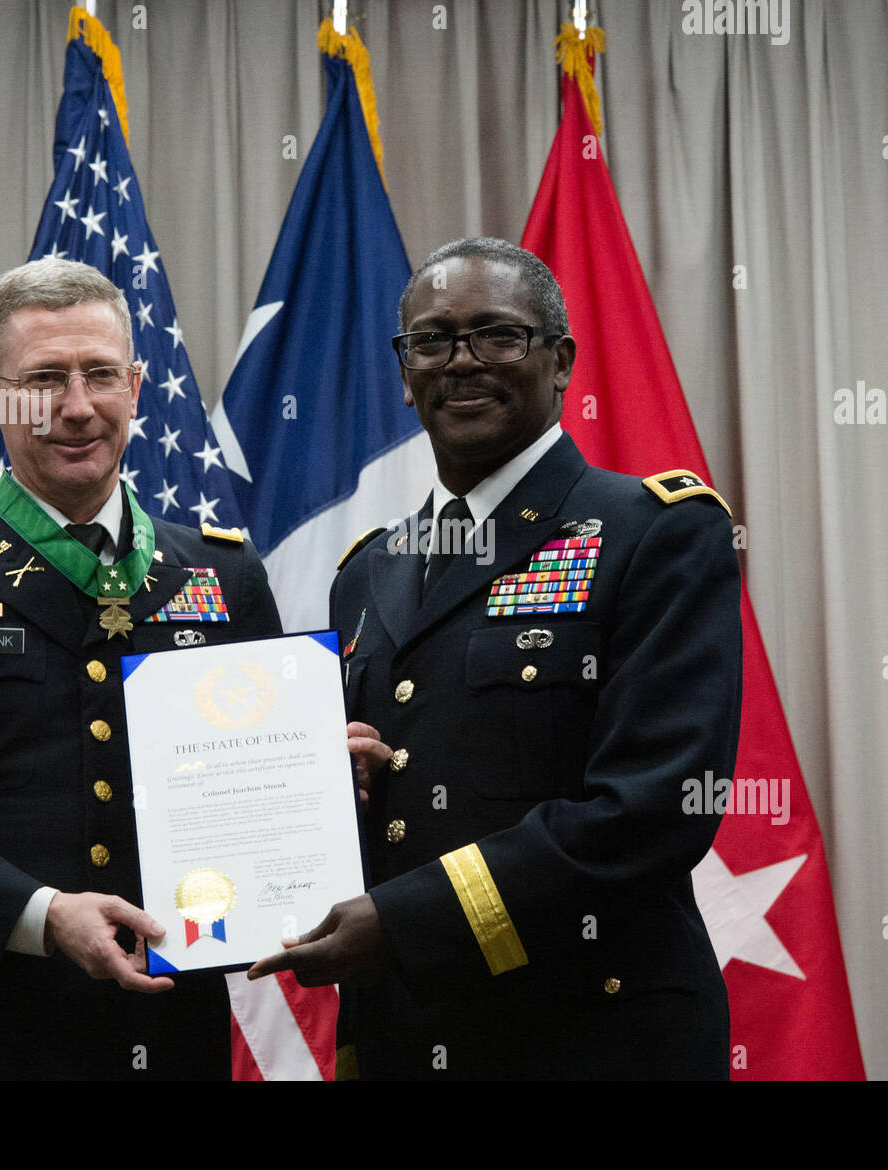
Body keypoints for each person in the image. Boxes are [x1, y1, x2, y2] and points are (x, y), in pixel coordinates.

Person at [249, 238, 743, 1079]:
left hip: (593, 1036)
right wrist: (319, 791)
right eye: (434, 341)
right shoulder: (366, 572)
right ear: (404, 374)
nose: (463, 363)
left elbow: (654, 810)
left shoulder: (652, 532)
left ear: (561, 361)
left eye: (498, 336)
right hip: (407, 1036)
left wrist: (407, 921)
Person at [0, 258, 291, 1079]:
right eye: (43, 380)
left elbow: (260, 801)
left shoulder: (223, 577)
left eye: (100, 374)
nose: (77, 407)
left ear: (136, 387)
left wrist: (316, 773)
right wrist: (39, 915)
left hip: (172, 1040)